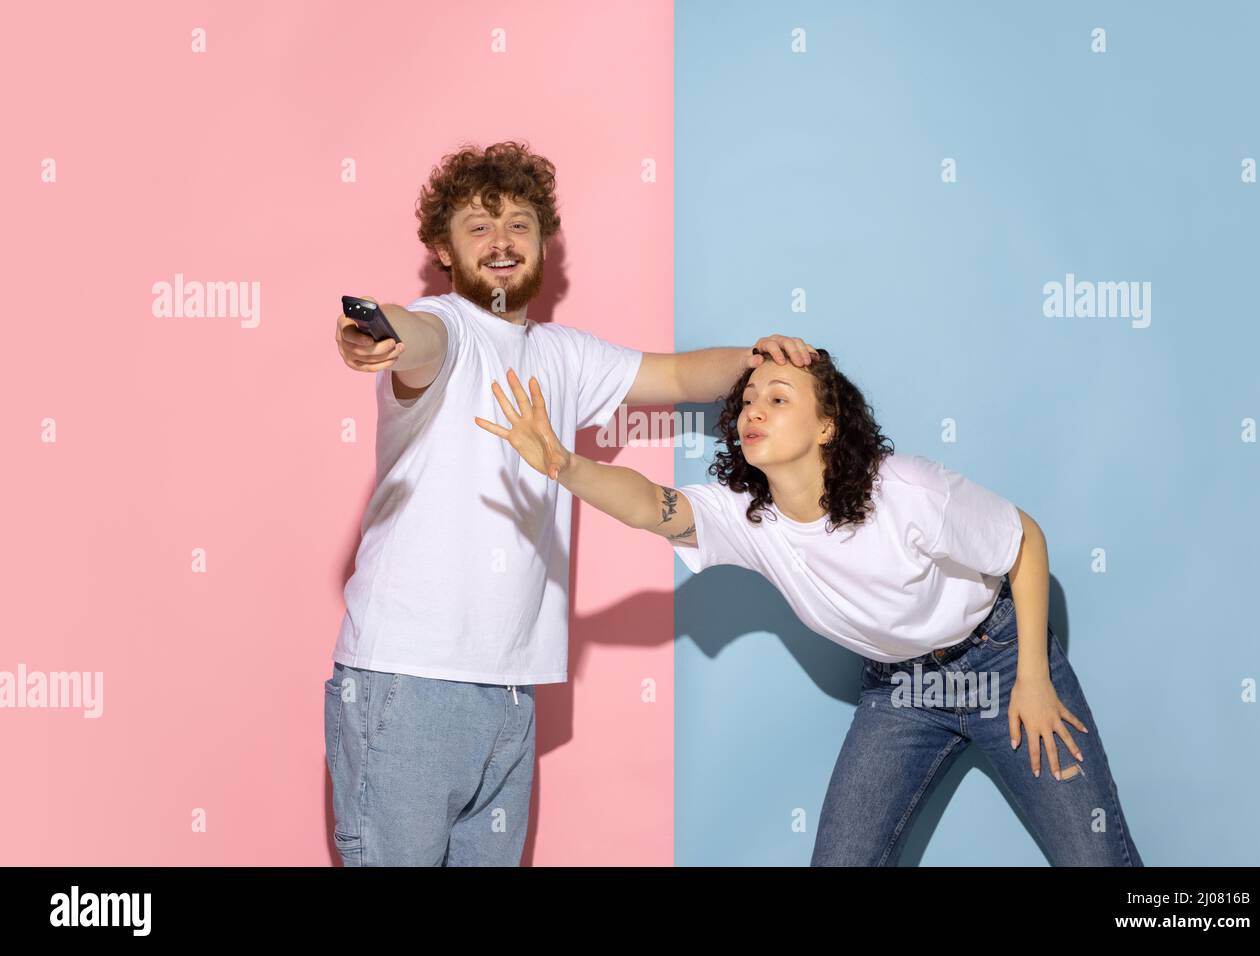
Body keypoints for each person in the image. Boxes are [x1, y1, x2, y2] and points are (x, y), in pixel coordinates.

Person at [326, 141, 816, 866]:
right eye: (478, 226)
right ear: (442, 247)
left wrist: (757, 360)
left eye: (520, 224)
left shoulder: (563, 354)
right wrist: (375, 333)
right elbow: (413, 332)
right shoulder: (448, 329)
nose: (501, 242)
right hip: (408, 683)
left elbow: (679, 377)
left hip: (512, 693)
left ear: (543, 242)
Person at [476, 347, 1144, 866]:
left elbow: (1023, 540)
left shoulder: (905, 489)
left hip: (998, 662)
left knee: (1092, 856)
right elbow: (653, 506)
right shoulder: (747, 518)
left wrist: (1031, 677)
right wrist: (564, 465)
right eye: (746, 402)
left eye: (777, 397)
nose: (752, 411)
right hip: (901, 690)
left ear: (827, 426)